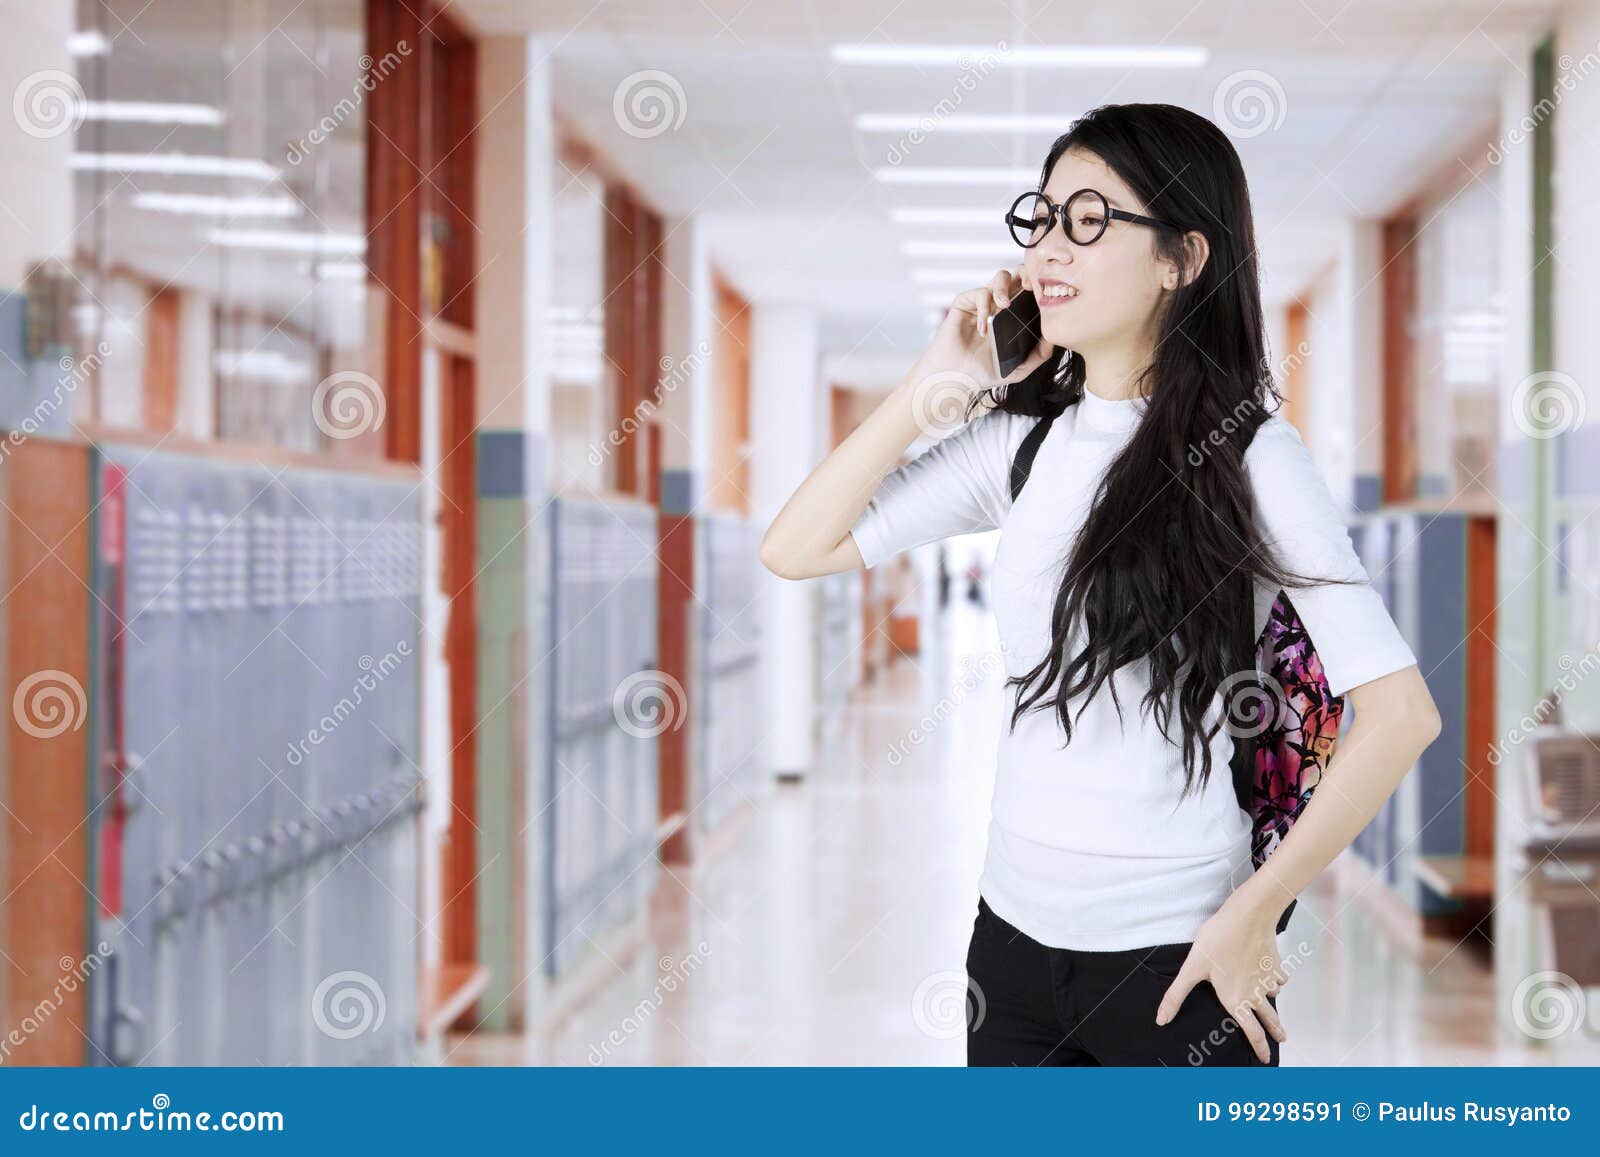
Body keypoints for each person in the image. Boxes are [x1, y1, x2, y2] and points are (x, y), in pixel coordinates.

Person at [759, 103, 1441, 1066]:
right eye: (1040, 218)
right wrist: (932, 384)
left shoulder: (1251, 457)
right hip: (1010, 951)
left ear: (1182, 259)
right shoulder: (1025, 444)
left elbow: (1401, 713)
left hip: (1176, 965)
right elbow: (795, 546)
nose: (1049, 248)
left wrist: (1254, 913)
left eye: (1090, 220)